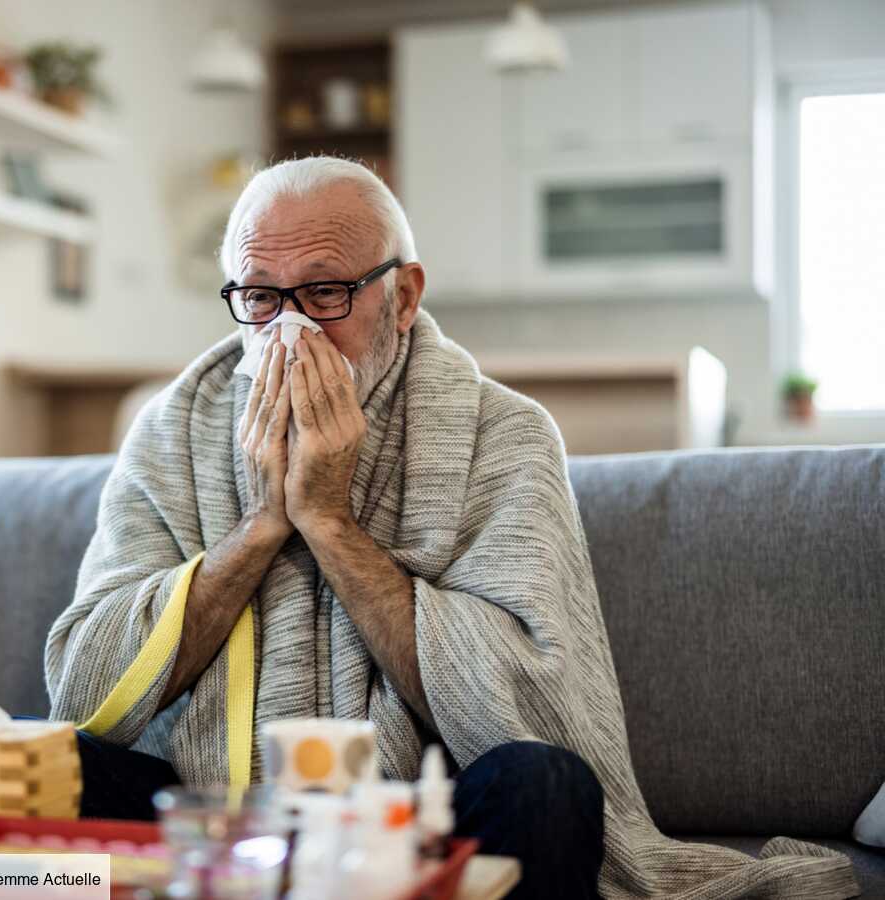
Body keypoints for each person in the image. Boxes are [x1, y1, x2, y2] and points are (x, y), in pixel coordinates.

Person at [45, 157, 856, 899]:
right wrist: (262, 524)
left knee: (544, 784)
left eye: (325, 293)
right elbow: (85, 685)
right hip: (219, 815)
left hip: (425, 821)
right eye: (260, 297)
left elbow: (529, 701)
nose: (289, 331)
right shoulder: (173, 431)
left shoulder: (505, 435)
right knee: (54, 769)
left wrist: (328, 520)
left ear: (403, 296)